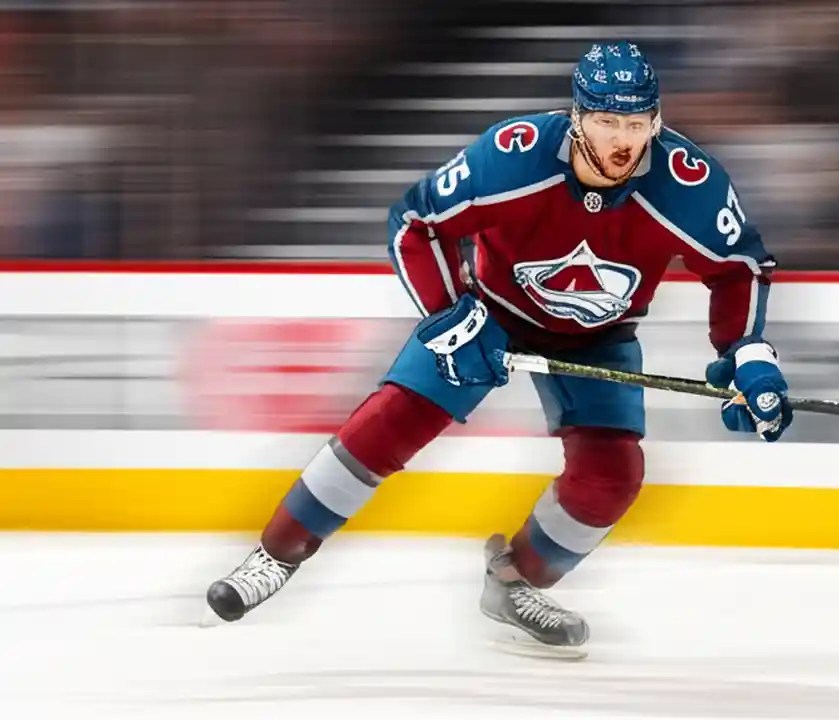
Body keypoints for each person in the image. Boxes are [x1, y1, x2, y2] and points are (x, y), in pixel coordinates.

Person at [204, 41, 793, 658]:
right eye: (607, 121)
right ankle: (275, 555)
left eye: (637, 123)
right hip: (487, 314)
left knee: (612, 479)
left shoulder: (689, 185)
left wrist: (747, 354)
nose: (623, 140)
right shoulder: (512, 158)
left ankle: (516, 583)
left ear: (657, 121)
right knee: (386, 424)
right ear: (577, 117)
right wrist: (451, 313)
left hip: (599, 336)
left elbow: (740, 267)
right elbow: (416, 223)